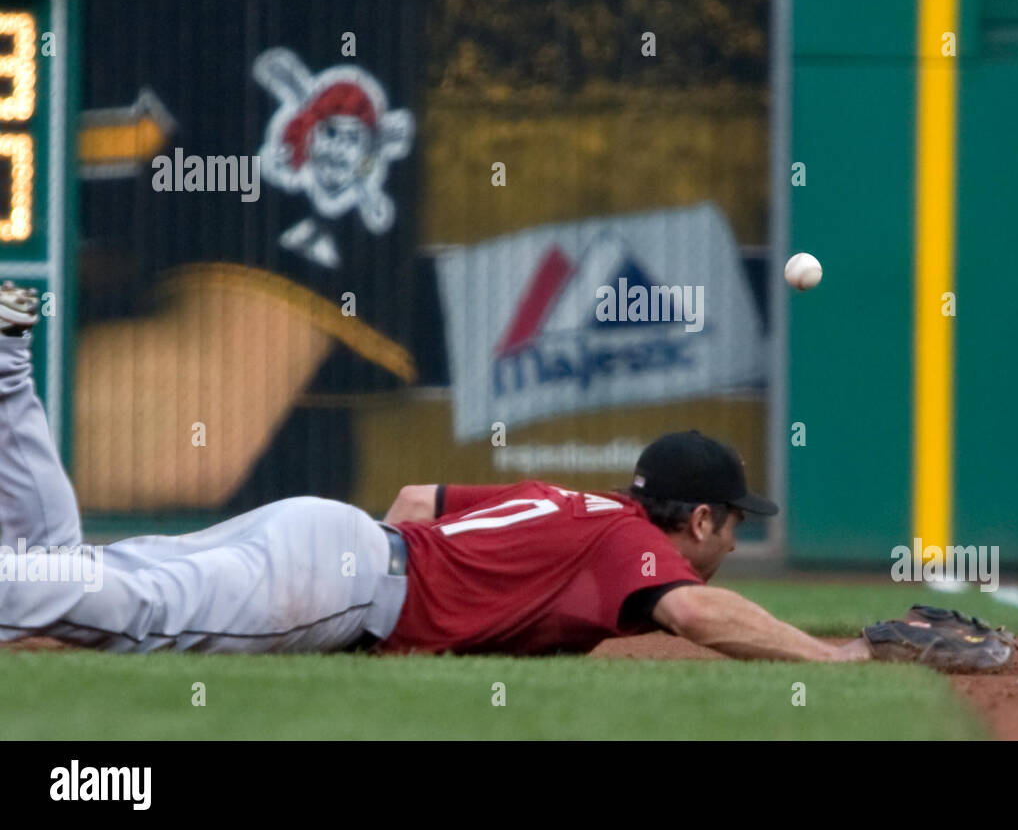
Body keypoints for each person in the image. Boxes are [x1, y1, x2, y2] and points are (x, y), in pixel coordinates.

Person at [0, 284, 870, 662]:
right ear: (702, 518)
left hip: (330, 535)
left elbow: (418, 500)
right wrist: (828, 658)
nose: (735, 540)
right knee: (145, 611)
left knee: (92, 567)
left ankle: (7, 362)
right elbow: (698, 613)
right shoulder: (625, 541)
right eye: (736, 520)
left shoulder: (576, 505)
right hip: (342, 582)